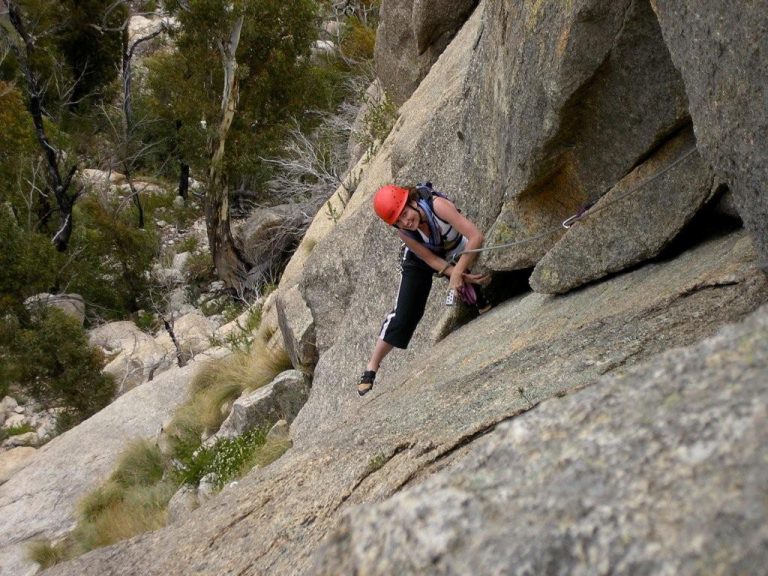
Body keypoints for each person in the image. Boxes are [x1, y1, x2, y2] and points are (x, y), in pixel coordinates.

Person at [358, 183, 491, 396]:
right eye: (398, 221)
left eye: (405, 213)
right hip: (419, 260)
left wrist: (459, 272)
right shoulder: (406, 233)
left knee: (476, 274)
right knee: (405, 314)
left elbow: (476, 236)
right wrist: (455, 273)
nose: (406, 222)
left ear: (412, 201)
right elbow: (429, 259)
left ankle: (477, 297)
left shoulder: (438, 206)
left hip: (453, 247)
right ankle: (371, 367)